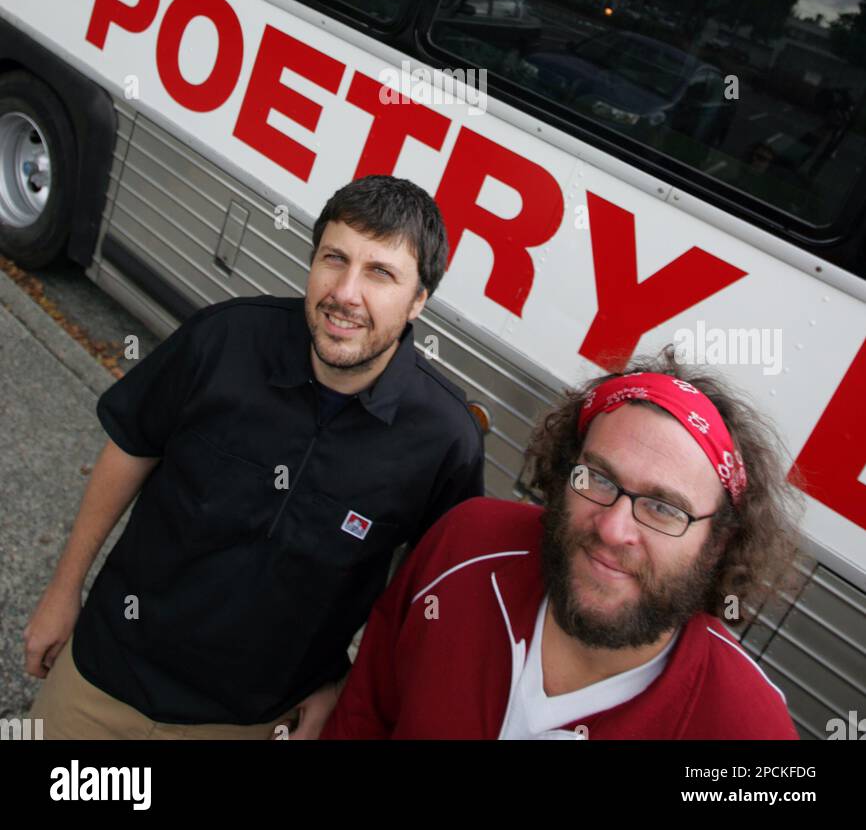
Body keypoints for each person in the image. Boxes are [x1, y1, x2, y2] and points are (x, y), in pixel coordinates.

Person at [25, 175, 485, 739]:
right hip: (104, 677)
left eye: (380, 273)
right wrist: (62, 589)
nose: (345, 293)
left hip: (249, 723)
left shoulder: (445, 439)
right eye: (334, 259)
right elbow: (131, 447)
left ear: (418, 301)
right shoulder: (224, 338)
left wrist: (347, 686)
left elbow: (428, 594)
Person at [321, 354, 804, 739]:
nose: (613, 528)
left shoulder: (746, 724)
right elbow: (366, 709)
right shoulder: (467, 543)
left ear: (718, 542)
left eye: (663, 508)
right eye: (598, 478)